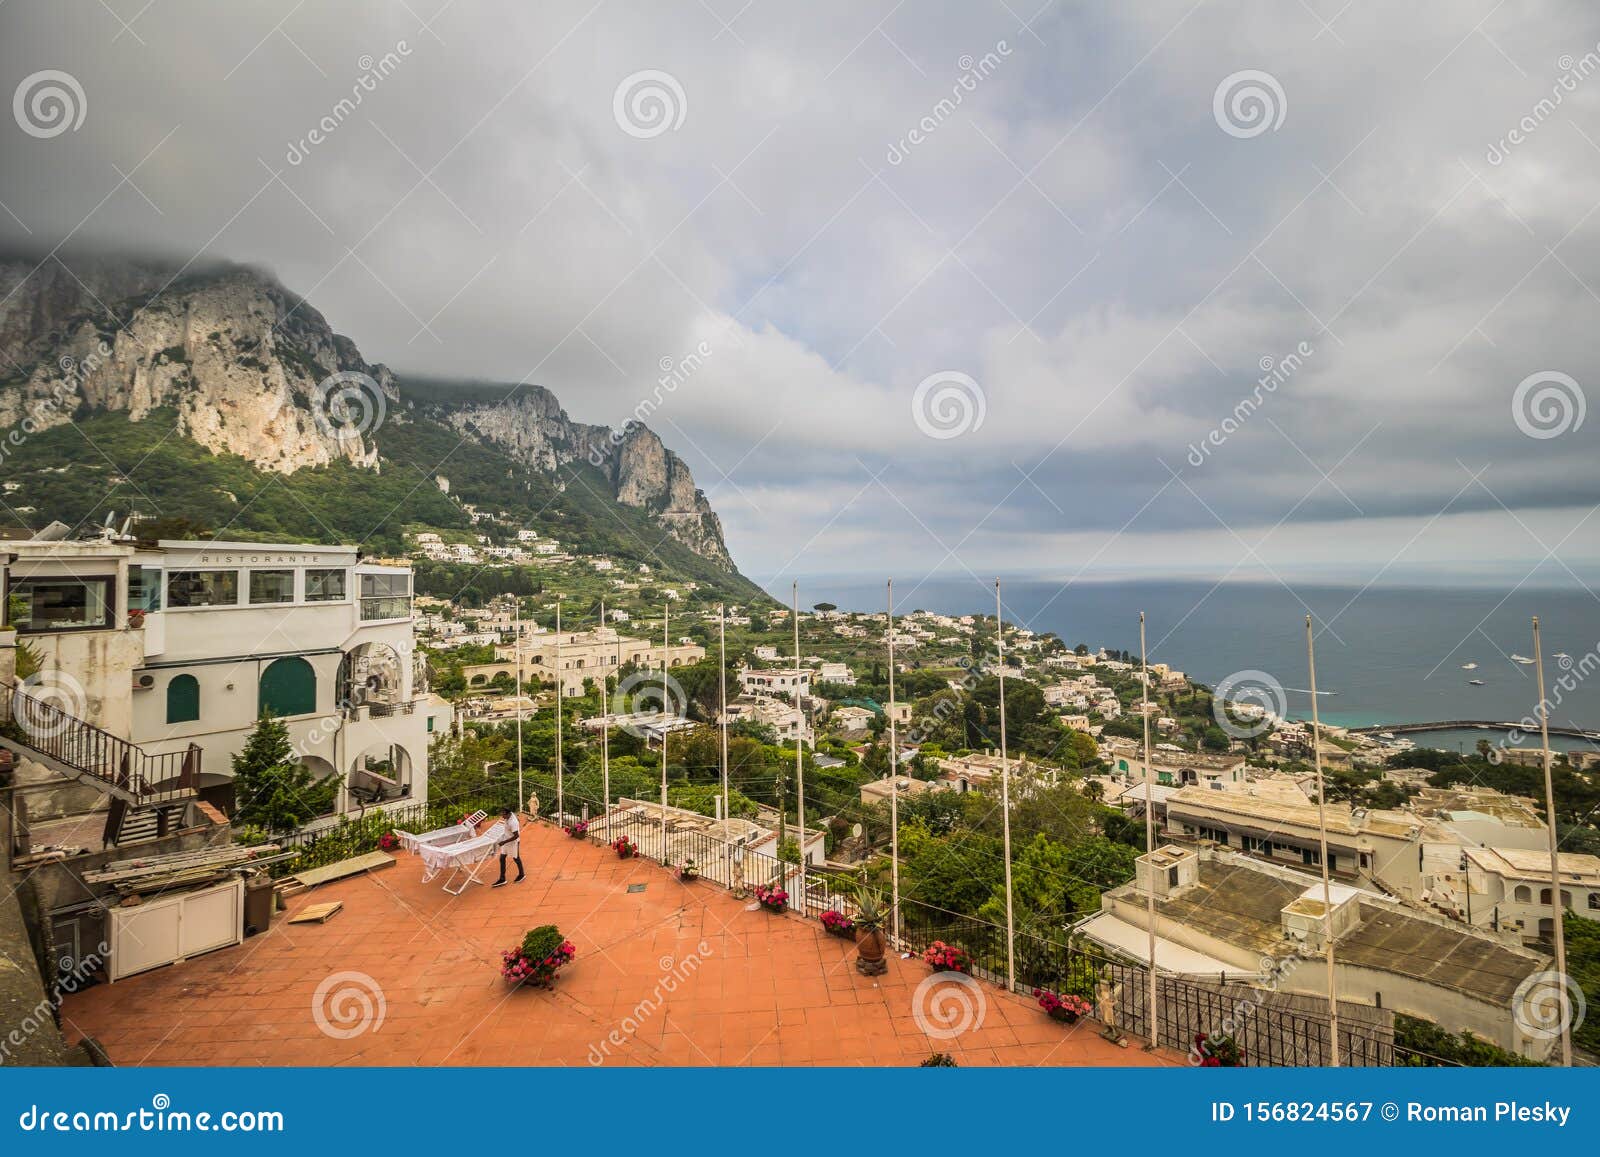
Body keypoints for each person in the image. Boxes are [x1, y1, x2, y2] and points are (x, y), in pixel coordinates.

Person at [493, 806, 524, 887]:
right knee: (502, 858)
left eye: (504, 815)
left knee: (516, 858)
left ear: (508, 814)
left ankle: (522, 874)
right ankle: (502, 879)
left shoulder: (512, 822)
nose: (502, 817)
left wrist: (504, 842)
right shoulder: (510, 815)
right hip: (506, 840)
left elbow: (516, 836)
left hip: (513, 842)